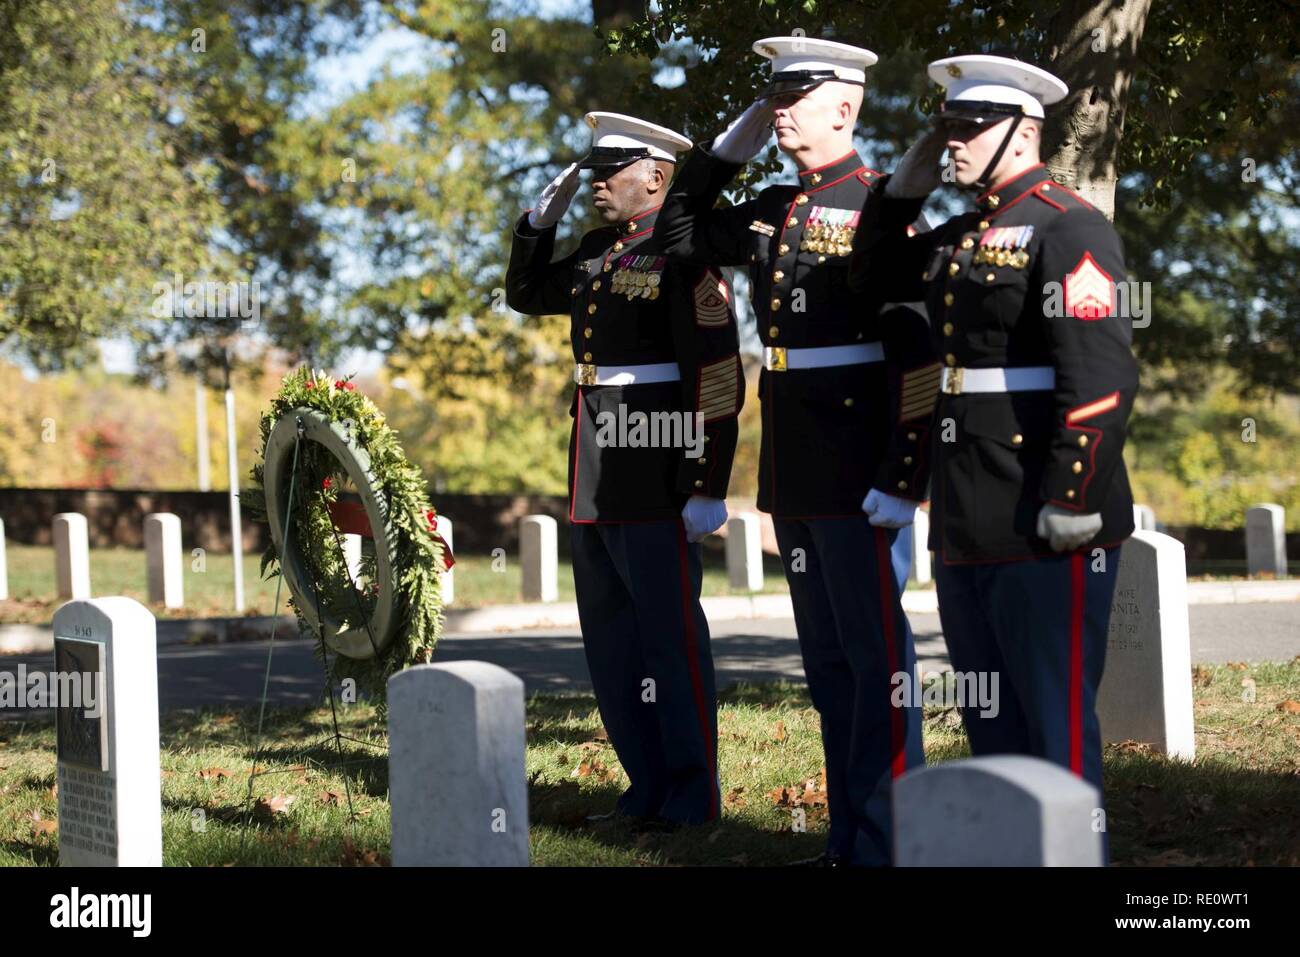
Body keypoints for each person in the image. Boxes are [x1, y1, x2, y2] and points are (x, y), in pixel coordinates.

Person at [657, 38, 933, 866]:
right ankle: (848, 838)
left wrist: (903, 474)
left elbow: (918, 353)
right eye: (772, 98)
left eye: (795, 97)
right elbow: (677, 234)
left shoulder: (884, 205)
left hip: (858, 463)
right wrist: (724, 150)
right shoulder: (775, 204)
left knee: (878, 662)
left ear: (843, 108)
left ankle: (888, 841)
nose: (779, 110)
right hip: (796, 466)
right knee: (829, 669)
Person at [849, 54, 1140, 814]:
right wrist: (902, 190)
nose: (953, 142)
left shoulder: (1070, 227)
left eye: (969, 127)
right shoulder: (960, 232)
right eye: (947, 126)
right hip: (968, 510)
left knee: (1054, 724)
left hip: (1043, 509)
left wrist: (1071, 496)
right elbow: (871, 277)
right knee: (990, 723)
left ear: (1023, 133)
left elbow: (1101, 375)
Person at [505, 113, 744, 827]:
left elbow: (718, 374)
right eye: (594, 170)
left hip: (655, 465)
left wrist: (707, 480)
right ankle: (645, 787)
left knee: (667, 638)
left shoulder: (683, 252)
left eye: (612, 171)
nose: (597, 183)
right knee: (612, 645)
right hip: (594, 466)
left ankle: (692, 795)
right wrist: (534, 227)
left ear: (657, 177)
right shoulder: (592, 251)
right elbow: (525, 292)